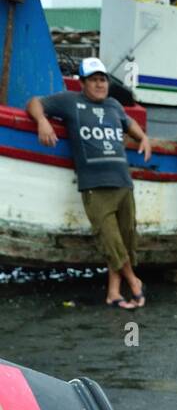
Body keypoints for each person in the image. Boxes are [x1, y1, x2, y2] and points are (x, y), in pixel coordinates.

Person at [26, 57, 152, 309]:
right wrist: (42, 121)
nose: (99, 84)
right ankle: (134, 282)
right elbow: (34, 103)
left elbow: (130, 123)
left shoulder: (115, 105)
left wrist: (143, 138)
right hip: (95, 185)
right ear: (82, 83)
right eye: (93, 80)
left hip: (123, 182)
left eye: (102, 79)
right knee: (110, 240)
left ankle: (113, 292)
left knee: (125, 240)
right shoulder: (70, 102)